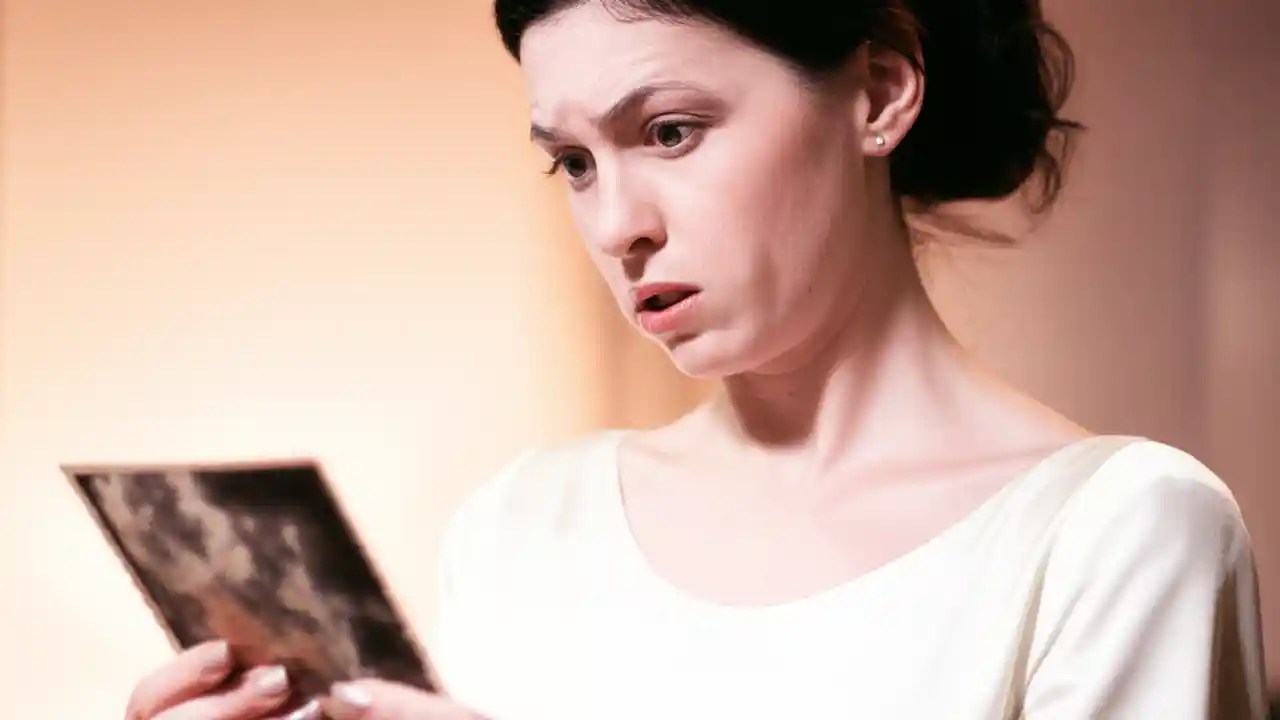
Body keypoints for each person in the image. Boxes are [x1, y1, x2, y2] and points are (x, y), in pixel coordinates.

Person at [123, 1, 1269, 718]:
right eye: (570, 162)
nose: (618, 221)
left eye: (667, 130)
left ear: (877, 92)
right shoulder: (521, 525)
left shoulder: (1119, 533)